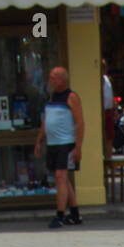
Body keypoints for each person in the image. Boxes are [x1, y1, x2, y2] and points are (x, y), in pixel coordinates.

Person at [34, 66, 84, 230]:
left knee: (61, 177)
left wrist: (78, 147)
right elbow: (46, 119)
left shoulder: (71, 97)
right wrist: (39, 140)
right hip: (53, 143)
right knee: (62, 178)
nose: (51, 81)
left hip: (66, 143)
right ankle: (75, 213)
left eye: (54, 78)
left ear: (62, 79)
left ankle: (60, 215)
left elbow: (80, 123)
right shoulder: (52, 97)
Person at [101, 58, 115, 160]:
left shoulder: (107, 79)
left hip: (109, 111)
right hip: (102, 111)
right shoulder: (98, 81)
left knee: (109, 136)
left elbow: (110, 94)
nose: (105, 69)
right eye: (103, 67)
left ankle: (109, 158)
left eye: (105, 67)